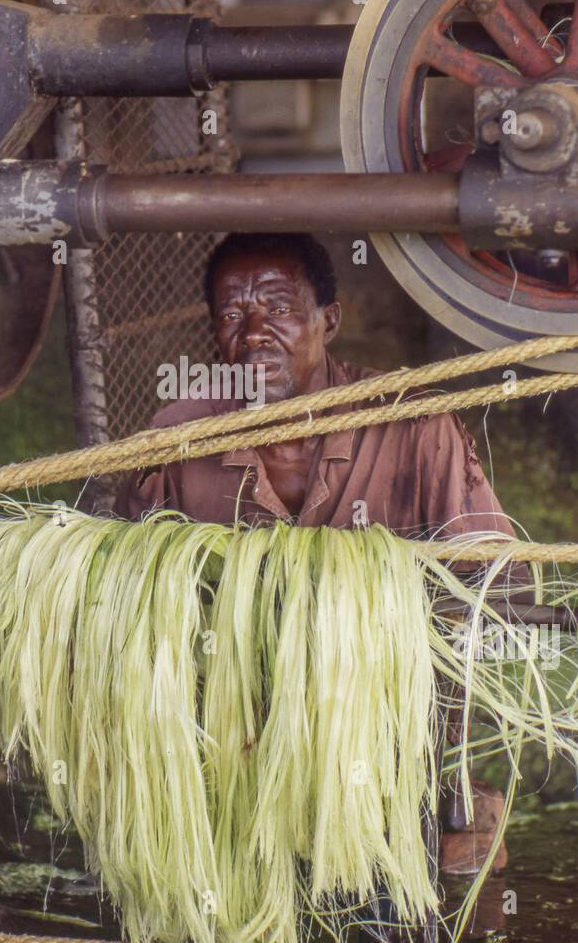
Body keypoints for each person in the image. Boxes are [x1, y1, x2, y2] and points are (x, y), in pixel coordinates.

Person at [116, 231, 520, 871]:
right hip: (233, 741)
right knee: (183, 864)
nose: (252, 332)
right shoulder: (178, 436)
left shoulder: (412, 424)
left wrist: (441, 758)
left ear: (328, 320)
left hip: (386, 739)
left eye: (278, 308)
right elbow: (130, 595)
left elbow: (491, 588)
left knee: (465, 870)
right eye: (231, 313)